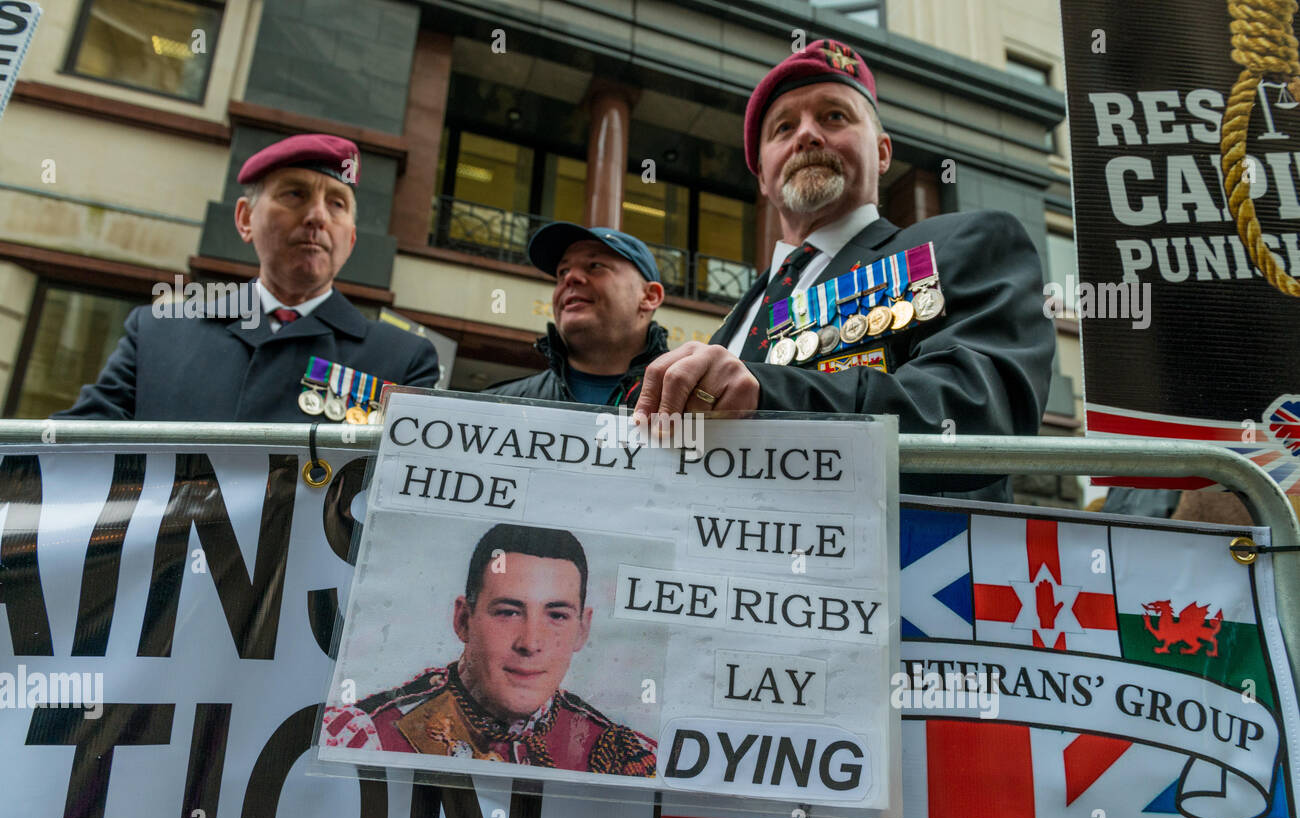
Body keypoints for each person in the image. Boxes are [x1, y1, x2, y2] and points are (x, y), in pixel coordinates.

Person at [633, 39, 1055, 501]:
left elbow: (975, 416)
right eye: (783, 127)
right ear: (762, 176)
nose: (807, 135)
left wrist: (769, 397)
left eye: (834, 116)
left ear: (883, 151)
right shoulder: (741, 318)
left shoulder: (965, 244)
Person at [57, 133, 440, 422]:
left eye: (336, 204)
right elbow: (73, 455)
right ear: (244, 219)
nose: (318, 217)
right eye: (295, 194)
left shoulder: (402, 360)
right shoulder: (157, 333)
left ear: (351, 239)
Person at [321, 523, 657, 776]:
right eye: (508, 612)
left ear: (582, 630)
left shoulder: (622, 756)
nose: (530, 643)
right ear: (463, 620)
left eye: (556, 615)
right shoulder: (366, 735)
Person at [484, 223, 668, 407]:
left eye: (595, 266)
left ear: (649, 296)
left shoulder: (691, 401)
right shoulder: (492, 407)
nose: (570, 277)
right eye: (562, 272)